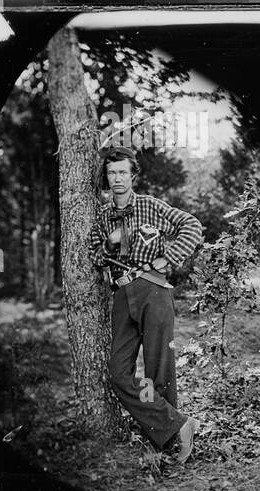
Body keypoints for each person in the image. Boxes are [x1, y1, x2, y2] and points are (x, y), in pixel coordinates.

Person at [88, 147, 205, 465]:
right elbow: (94, 255)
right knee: (117, 373)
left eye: (123, 172)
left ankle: (170, 444)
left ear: (133, 175)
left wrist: (168, 257)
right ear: (106, 177)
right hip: (122, 296)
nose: (117, 178)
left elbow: (192, 226)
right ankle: (179, 425)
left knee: (159, 369)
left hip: (154, 289)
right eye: (112, 173)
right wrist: (110, 242)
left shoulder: (151, 206)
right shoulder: (101, 216)